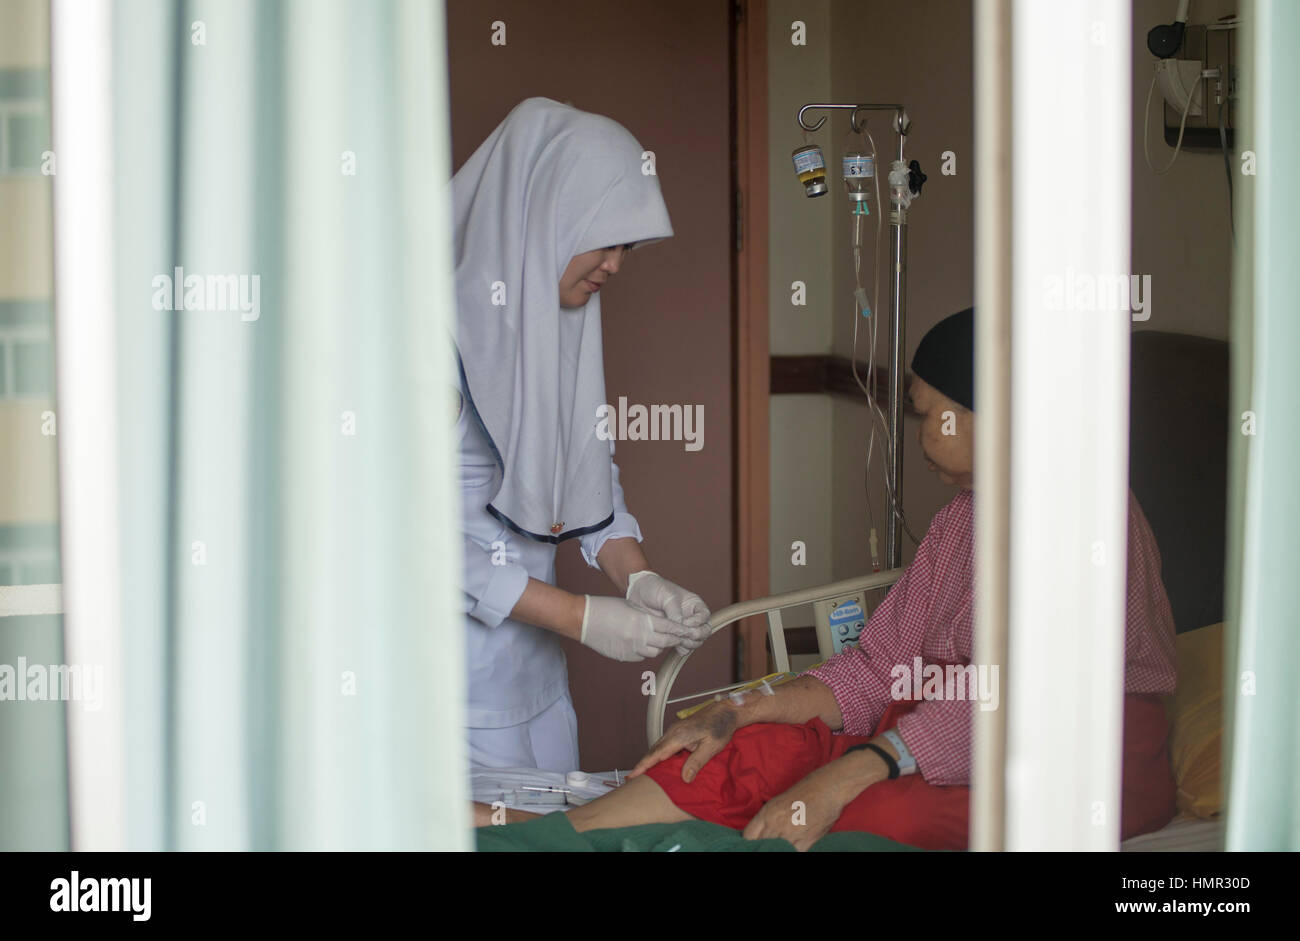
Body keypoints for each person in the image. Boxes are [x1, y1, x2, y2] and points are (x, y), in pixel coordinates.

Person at [483, 306, 1179, 848]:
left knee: (872, 816)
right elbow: (877, 669)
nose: (917, 432)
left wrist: (849, 771)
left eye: (926, 413)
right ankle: (546, 837)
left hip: (1071, 751)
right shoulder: (963, 520)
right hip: (935, 720)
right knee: (748, 751)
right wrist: (741, 709)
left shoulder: (1085, 521)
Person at [453, 98, 712, 774]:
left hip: (537, 681)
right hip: (448, 693)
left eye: (628, 247)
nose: (617, 265)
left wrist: (639, 577)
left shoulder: (555, 325)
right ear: (550, 217)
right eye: (608, 241)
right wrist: (578, 616)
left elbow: (586, 470)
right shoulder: (432, 338)